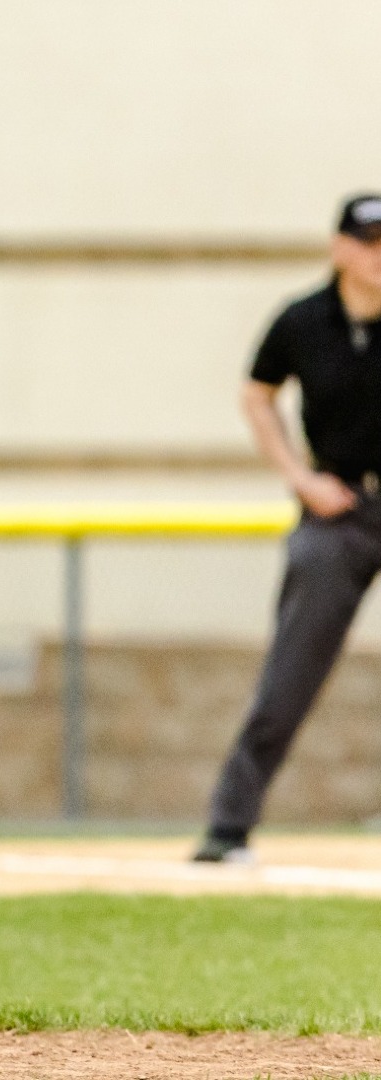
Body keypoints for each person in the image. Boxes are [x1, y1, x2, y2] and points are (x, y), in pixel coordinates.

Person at [195, 194, 381, 865]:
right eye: (368, 241)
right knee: (288, 675)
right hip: (338, 509)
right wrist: (297, 477)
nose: (378, 256)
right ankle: (227, 828)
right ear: (339, 247)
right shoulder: (303, 322)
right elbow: (256, 394)